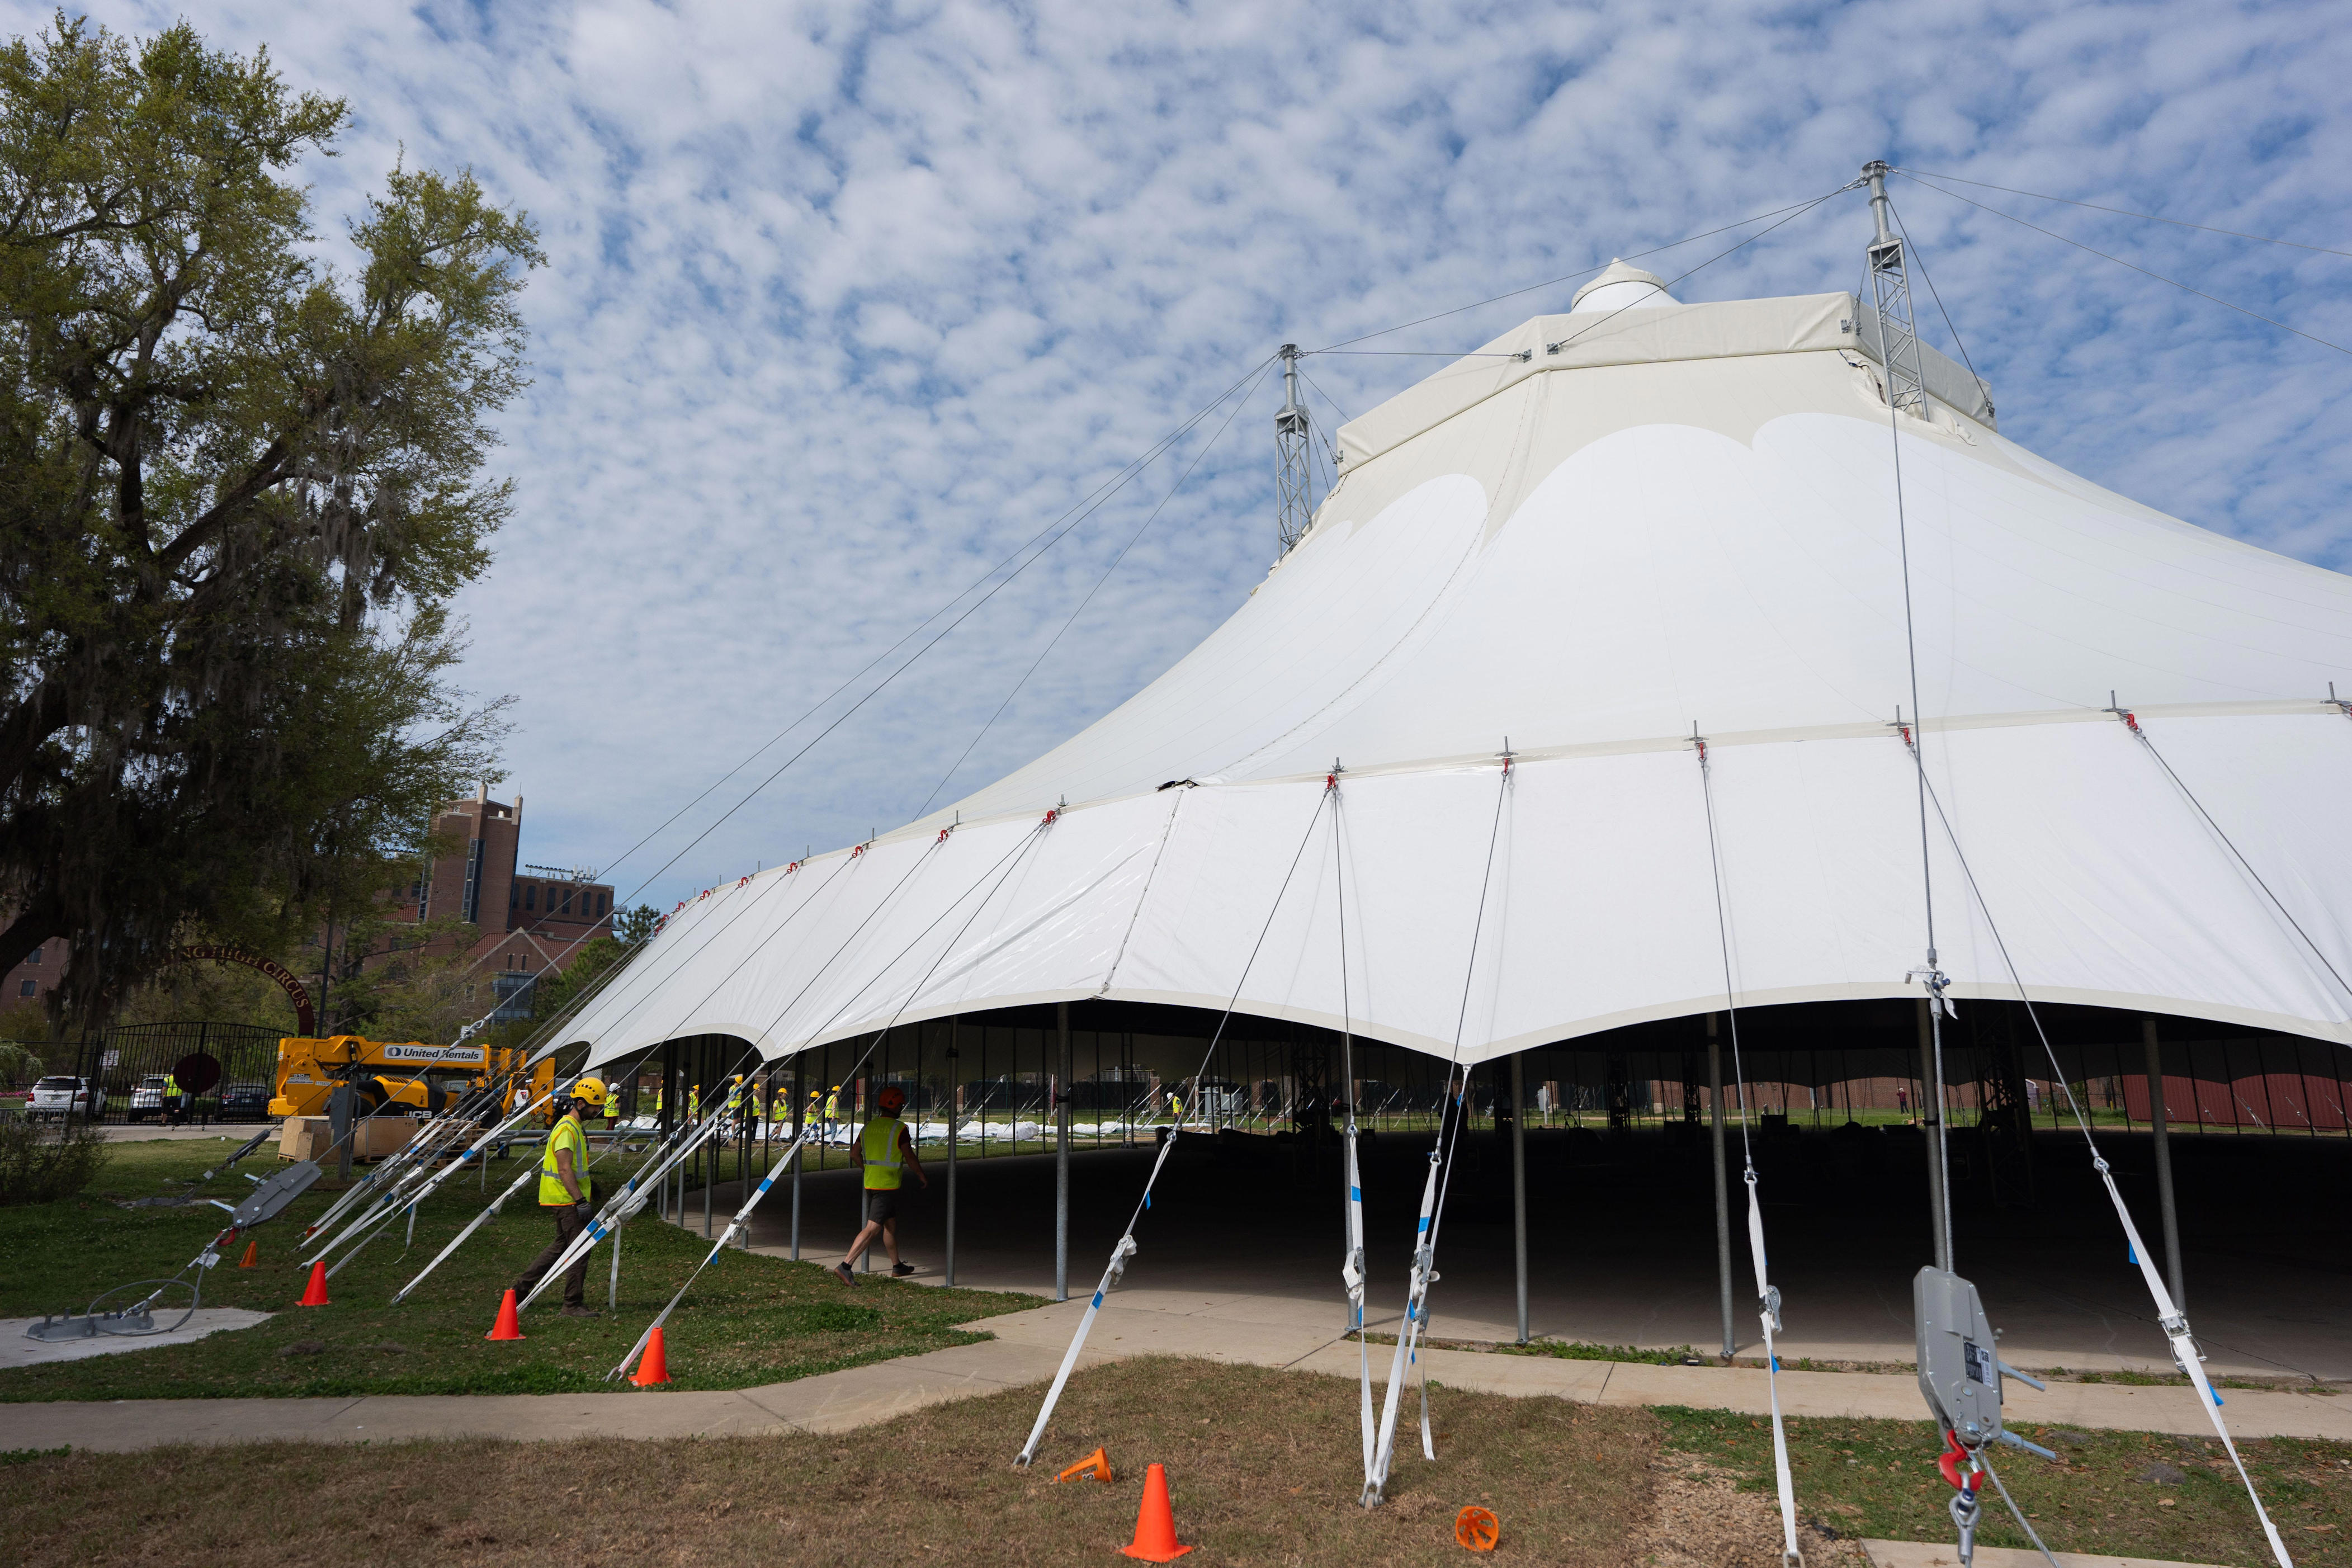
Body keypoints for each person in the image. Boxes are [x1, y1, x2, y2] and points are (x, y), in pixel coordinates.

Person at [511, 1075, 606, 1318]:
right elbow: (564, 1169)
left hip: (568, 1198)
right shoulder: (567, 1129)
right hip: (567, 1201)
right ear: (582, 1104)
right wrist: (581, 1200)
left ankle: (517, 1293)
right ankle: (572, 1305)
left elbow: (573, 1168)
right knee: (580, 1250)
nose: (599, 1111)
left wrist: (588, 1187)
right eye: (596, 1106)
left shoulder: (573, 1128)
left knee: (559, 1248)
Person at [833, 1084, 927, 1284]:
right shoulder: (899, 1129)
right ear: (897, 1106)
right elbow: (909, 1156)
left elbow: (854, 1154)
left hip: (872, 1183)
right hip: (887, 1186)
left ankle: (897, 1266)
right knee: (873, 1228)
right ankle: (846, 1266)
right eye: (901, 1104)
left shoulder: (868, 1127)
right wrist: (921, 1175)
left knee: (890, 1225)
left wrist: (868, 1170)